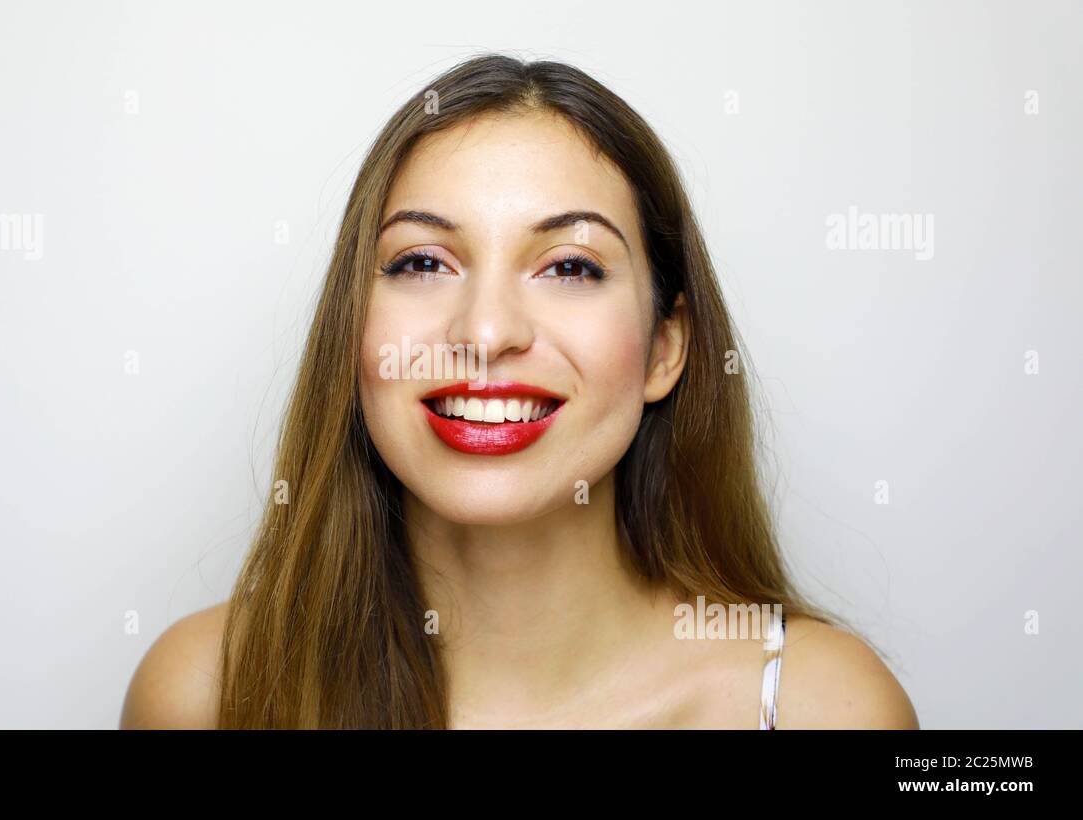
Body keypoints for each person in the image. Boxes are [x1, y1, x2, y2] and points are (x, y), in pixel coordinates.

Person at [121, 54, 919, 730]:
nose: (487, 330)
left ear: (664, 350)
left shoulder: (823, 707)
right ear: (352, 331)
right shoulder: (204, 695)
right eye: (423, 262)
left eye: (570, 266)